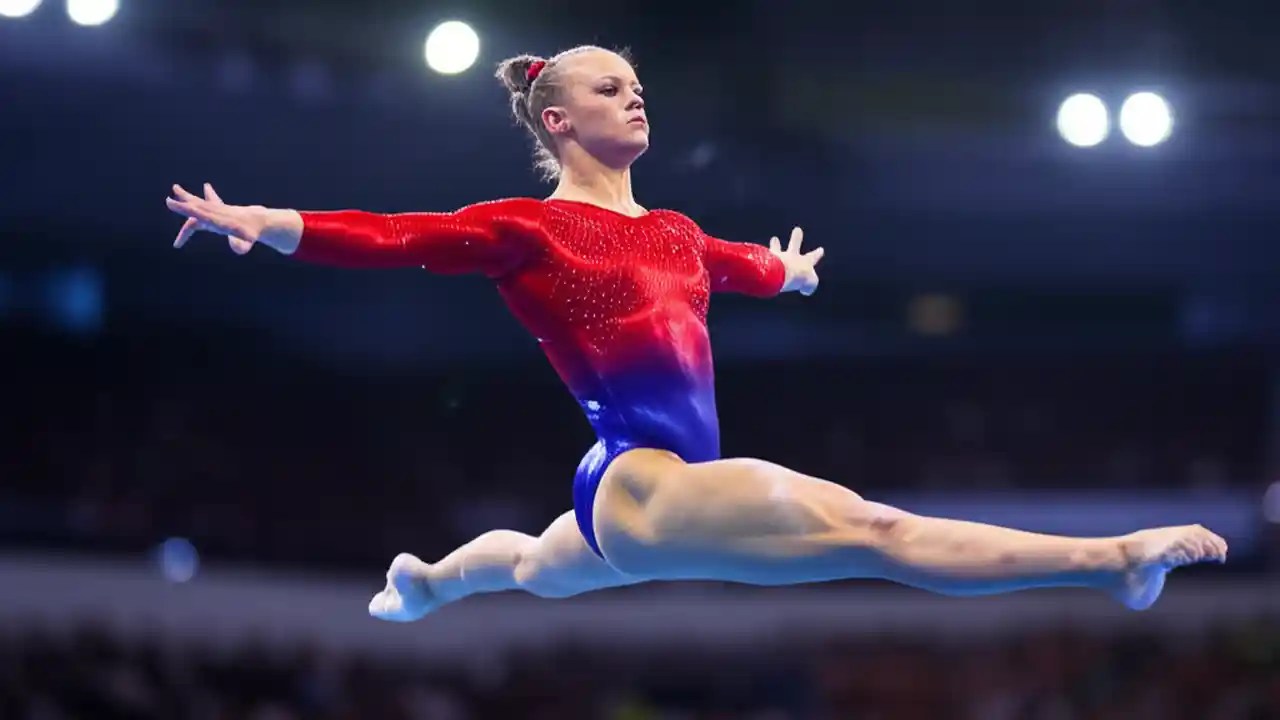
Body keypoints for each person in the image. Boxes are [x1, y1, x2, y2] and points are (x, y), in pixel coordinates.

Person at [165, 45, 1226, 620]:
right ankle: (1109, 559)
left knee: (535, 568)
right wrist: (268, 223)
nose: (636, 96)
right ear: (556, 120)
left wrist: (789, 272)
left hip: (634, 495)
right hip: (645, 479)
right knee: (877, 536)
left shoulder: (671, 229)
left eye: (638, 85)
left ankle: (426, 581)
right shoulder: (526, 228)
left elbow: (735, 266)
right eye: (608, 86)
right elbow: (398, 237)